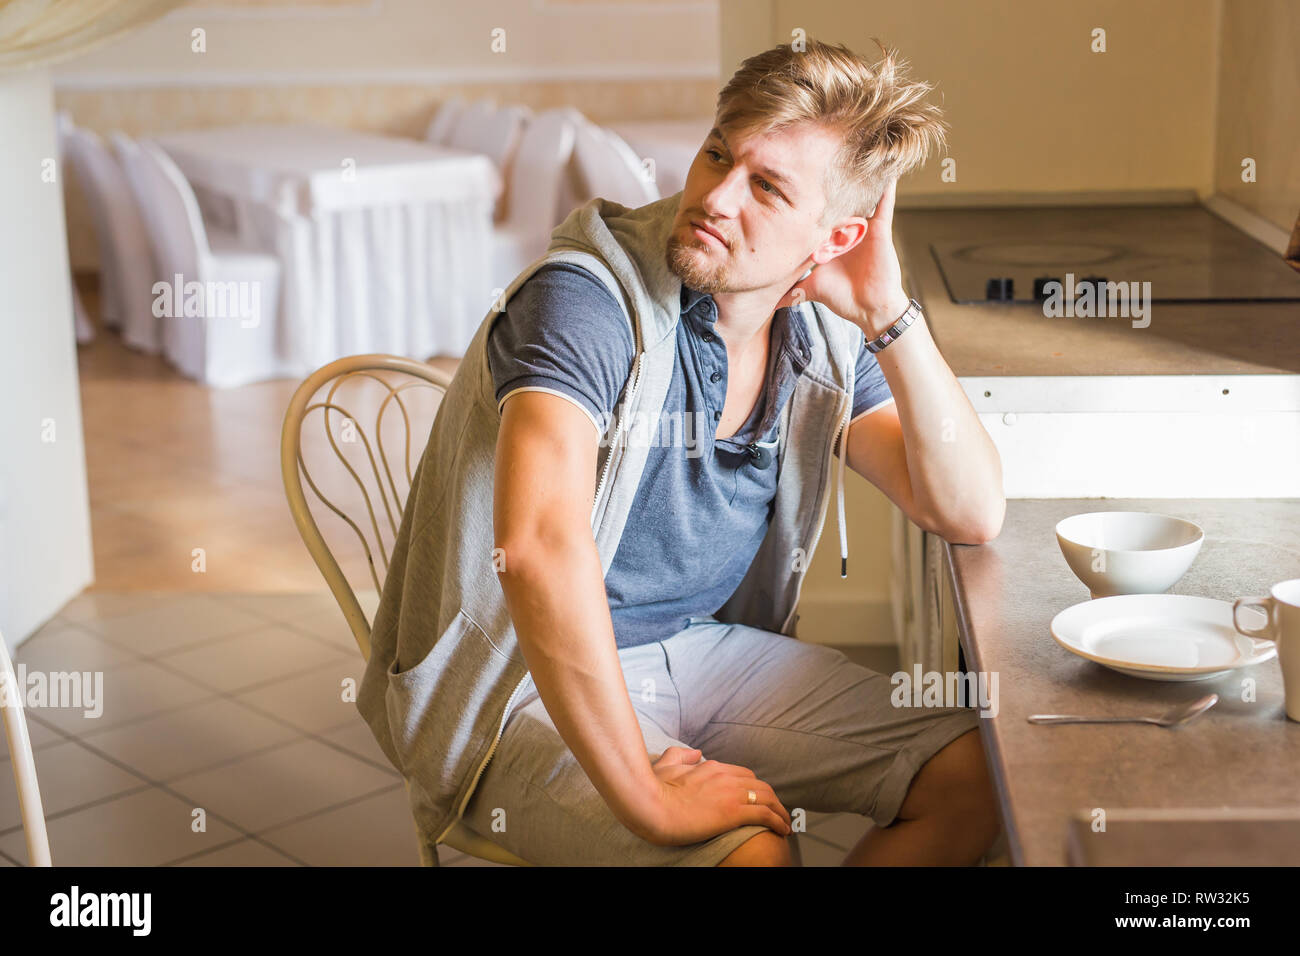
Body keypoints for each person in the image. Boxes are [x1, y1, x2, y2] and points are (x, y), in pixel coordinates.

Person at [358, 38, 1006, 866]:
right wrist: (650, 800)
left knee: (979, 779)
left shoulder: (820, 334)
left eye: (766, 187)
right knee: (753, 855)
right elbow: (536, 550)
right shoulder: (585, 297)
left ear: (836, 236)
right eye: (716, 155)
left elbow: (968, 508)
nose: (715, 196)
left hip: (701, 652)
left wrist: (887, 308)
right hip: (520, 685)